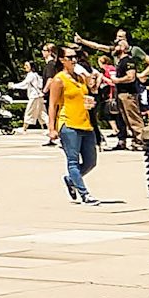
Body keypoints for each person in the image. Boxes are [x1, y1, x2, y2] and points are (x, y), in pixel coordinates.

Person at [46, 49, 101, 204]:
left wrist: (91, 102)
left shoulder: (80, 78)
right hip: (68, 123)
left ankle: (71, 179)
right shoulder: (59, 80)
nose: (74, 60)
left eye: (75, 57)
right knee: (73, 161)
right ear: (62, 60)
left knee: (91, 162)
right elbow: (52, 105)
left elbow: (86, 96)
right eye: (70, 57)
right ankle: (85, 194)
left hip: (85, 122)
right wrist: (52, 128)